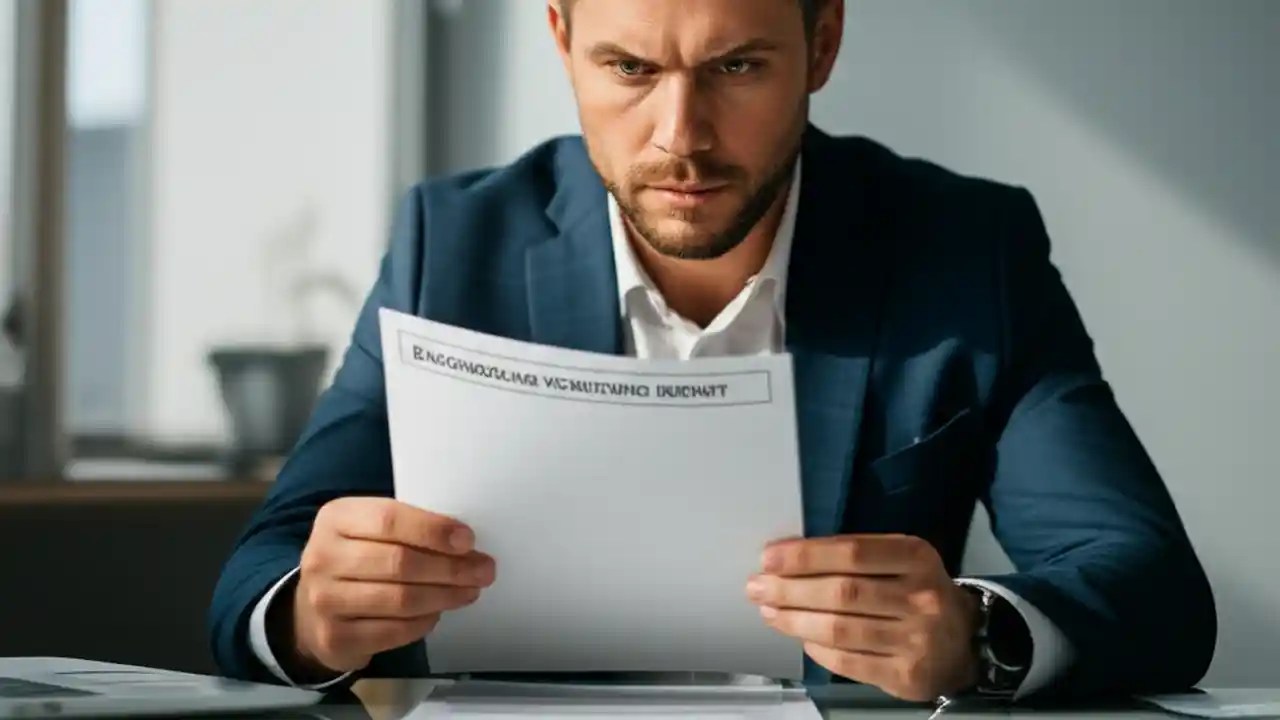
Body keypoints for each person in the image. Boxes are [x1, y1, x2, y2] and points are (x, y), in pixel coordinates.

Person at [209, 0, 1216, 703]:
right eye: (628, 68)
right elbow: (255, 579)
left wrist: (975, 638)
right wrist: (310, 614)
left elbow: (1149, 585)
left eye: (735, 66)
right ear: (561, 43)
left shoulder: (963, 249)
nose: (678, 135)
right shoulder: (453, 242)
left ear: (820, 44)